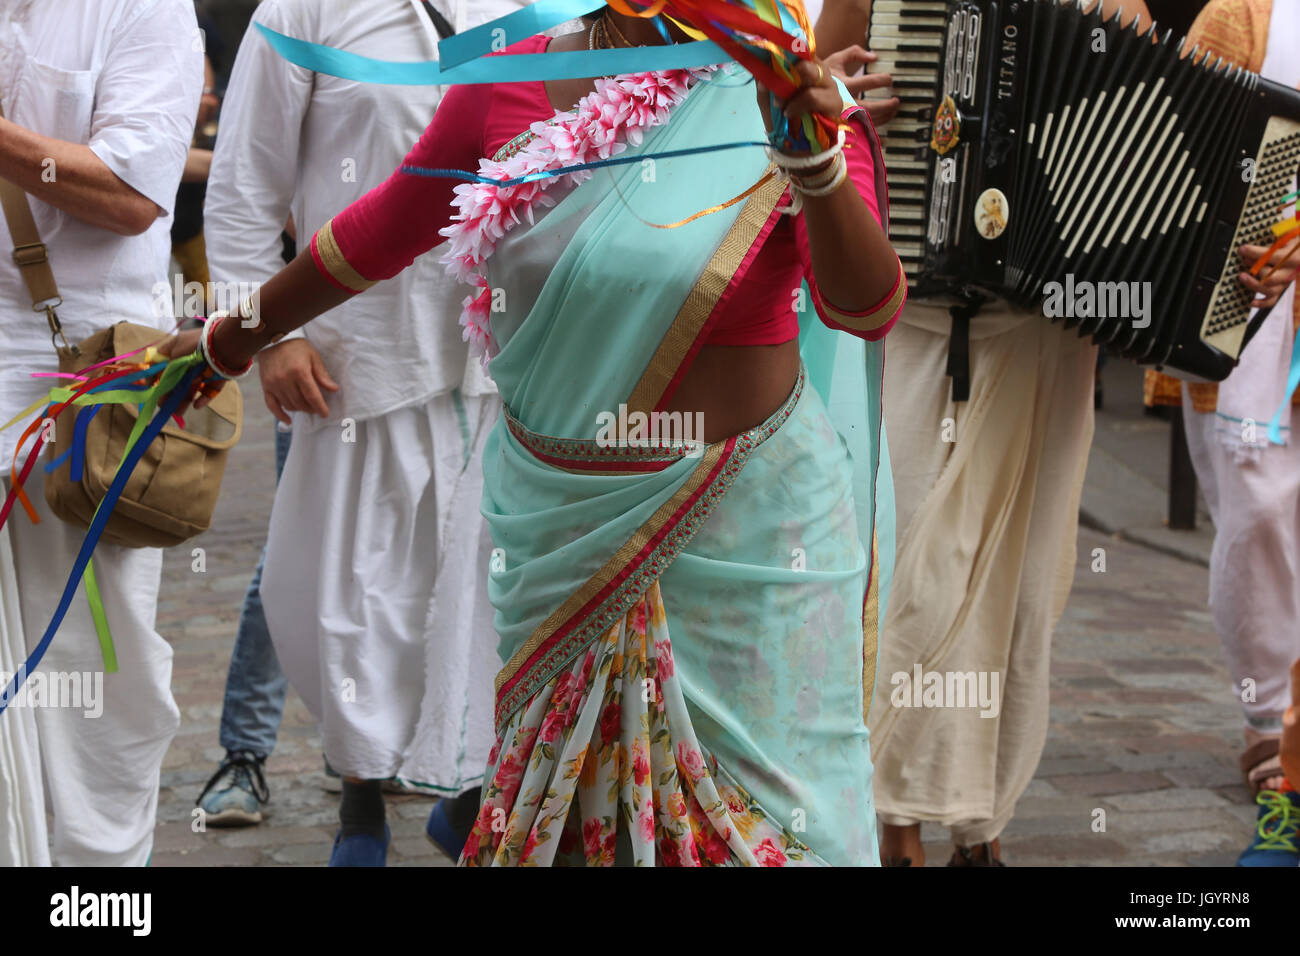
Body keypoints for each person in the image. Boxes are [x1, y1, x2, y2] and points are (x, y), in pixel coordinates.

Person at [166, 2, 905, 865]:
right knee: (574, 833)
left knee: (753, 835)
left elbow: (866, 307)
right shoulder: (512, 76)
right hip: (558, 539)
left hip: (744, 547)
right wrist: (231, 339)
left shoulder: (782, 83)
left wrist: (815, 159)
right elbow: (384, 228)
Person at [814, 0, 1160, 867]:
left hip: (1046, 338)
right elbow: (811, 96)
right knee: (910, 575)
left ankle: (981, 827)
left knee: (1024, 595)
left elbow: (1158, 153)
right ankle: (895, 827)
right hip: (911, 316)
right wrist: (841, 106)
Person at [195, 0, 528, 863]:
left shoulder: (532, 9)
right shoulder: (304, 9)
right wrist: (273, 335)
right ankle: (361, 802)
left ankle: (468, 791)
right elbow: (242, 189)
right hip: (355, 356)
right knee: (354, 596)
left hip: (497, 356)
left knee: (482, 591)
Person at [0, 0, 202, 866]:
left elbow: (132, 196)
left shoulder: (142, 8)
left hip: (81, 401)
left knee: (93, 682)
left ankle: (91, 893)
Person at [1144, 0, 1300, 867]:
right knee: (1257, 516)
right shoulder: (1242, 16)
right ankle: (1272, 717)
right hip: (1247, 324)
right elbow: (1175, 155)